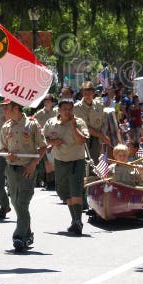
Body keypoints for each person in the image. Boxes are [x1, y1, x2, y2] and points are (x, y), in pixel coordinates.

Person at [0, 100, 47, 252]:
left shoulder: (32, 124)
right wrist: (8, 156)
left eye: (6, 108)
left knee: (22, 202)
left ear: (15, 108)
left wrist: (33, 164)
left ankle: (18, 236)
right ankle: (27, 233)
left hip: (27, 168)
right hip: (12, 169)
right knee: (14, 201)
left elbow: (43, 147)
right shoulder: (6, 126)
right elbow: (2, 149)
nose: (4, 110)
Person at [43, 98, 89, 235]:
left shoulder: (79, 122)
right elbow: (43, 138)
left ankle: (78, 221)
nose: (68, 112)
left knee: (75, 190)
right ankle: (75, 220)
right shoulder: (51, 123)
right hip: (60, 160)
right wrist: (53, 142)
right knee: (64, 192)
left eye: (70, 109)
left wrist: (74, 127)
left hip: (76, 160)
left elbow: (82, 141)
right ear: (59, 110)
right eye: (65, 109)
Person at [33, 94, 58, 190]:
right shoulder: (39, 114)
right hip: (44, 140)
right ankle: (50, 182)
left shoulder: (56, 112)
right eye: (45, 101)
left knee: (55, 161)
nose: (46, 103)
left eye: (48, 101)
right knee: (47, 162)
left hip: (55, 139)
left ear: (52, 102)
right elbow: (35, 126)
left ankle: (57, 181)